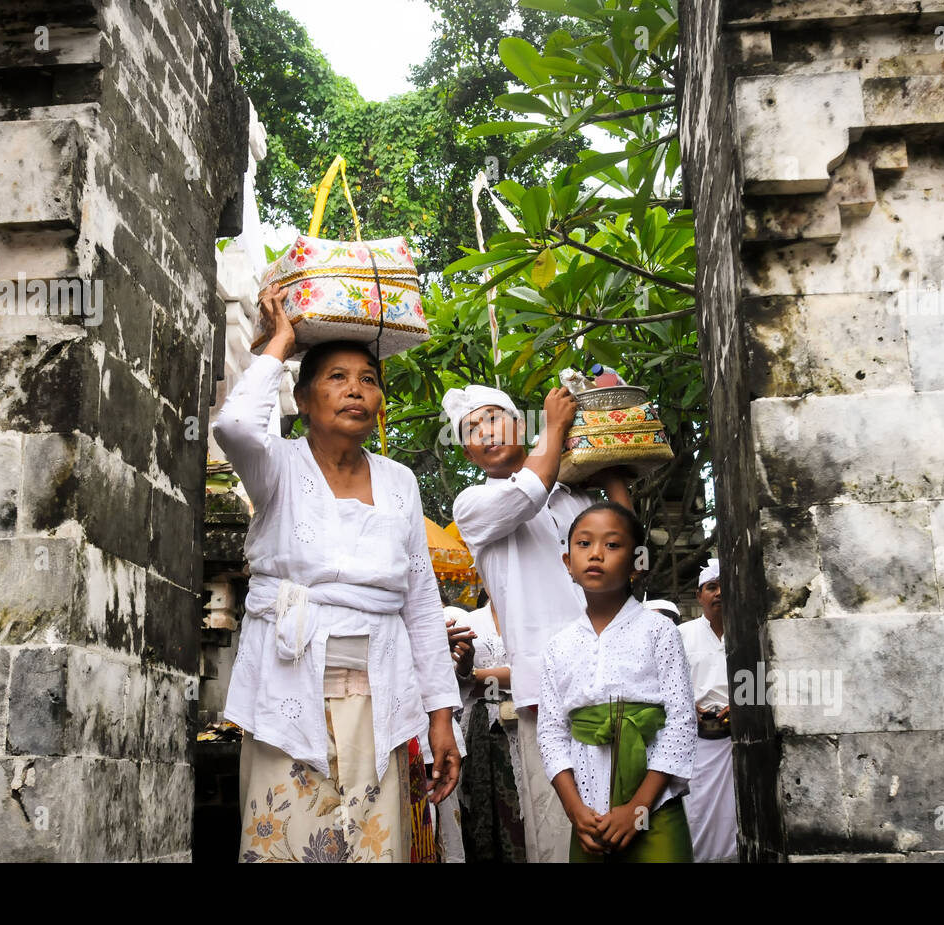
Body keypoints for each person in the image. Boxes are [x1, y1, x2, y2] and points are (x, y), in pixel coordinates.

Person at [214, 287, 461, 863]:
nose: (356, 389)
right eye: (337, 378)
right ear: (301, 397)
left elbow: (421, 608)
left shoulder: (400, 481)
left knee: (379, 853)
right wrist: (279, 344)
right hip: (288, 703)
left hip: (381, 708)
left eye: (369, 378)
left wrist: (441, 718)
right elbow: (234, 427)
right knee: (288, 849)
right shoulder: (276, 466)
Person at [444, 383, 631, 862]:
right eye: (472, 429)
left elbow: (627, 556)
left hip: (616, 678)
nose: (485, 433)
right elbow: (530, 490)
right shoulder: (473, 505)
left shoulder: (575, 498)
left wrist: (612, 476)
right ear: (466, 450)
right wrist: (555, 428)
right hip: (547, 692)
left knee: (627, 819)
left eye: (494, 418)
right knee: (559, 830)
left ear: (518, 424)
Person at [538, 502, 697, 863]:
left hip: (654, 806)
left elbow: (681, 723)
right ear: (568, 564)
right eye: (583, 544)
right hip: (588, 815)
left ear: (637, 562)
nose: (596, 554)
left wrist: (638, 807)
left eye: (612, 545)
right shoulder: (557, 647)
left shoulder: (659, 632)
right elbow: (551, 733)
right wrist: (574, 809)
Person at [454, 594, 527, 863]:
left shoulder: (532, 618)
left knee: (519, 815)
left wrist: (475, 676)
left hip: (523, 725)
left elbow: (533, 670)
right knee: (478, 811)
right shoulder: (468, 620)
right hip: (478, 728)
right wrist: (465, 671)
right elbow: (451, 674)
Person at [677, 559, 739, 862]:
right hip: (696, 741)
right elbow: (668, 684)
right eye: (711, 587)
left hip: (736, 740)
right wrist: (690, 707)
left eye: (723, 587)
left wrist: (741, 707)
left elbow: (760, 679)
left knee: (736, 809)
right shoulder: (682, 635)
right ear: (699, 595)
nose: (718, 593)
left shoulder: (747, 631)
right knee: (698, 809)